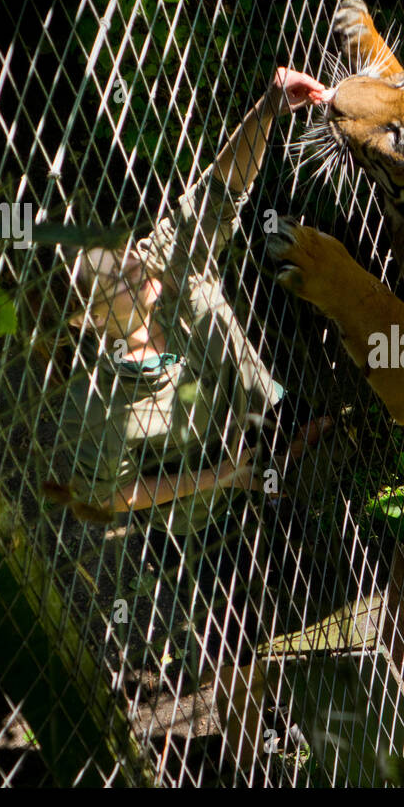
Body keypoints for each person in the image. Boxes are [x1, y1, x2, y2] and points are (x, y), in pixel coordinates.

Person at [45, 67, 328, 536]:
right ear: (88, 318)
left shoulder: (162, 262)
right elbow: (103, 495)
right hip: (210, 516)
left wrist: (270, 105)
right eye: (119, 279)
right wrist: (224, 477)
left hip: (277, 420)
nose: (136, 264)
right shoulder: (94, 405)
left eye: (125, 250)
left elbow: (220, 192)